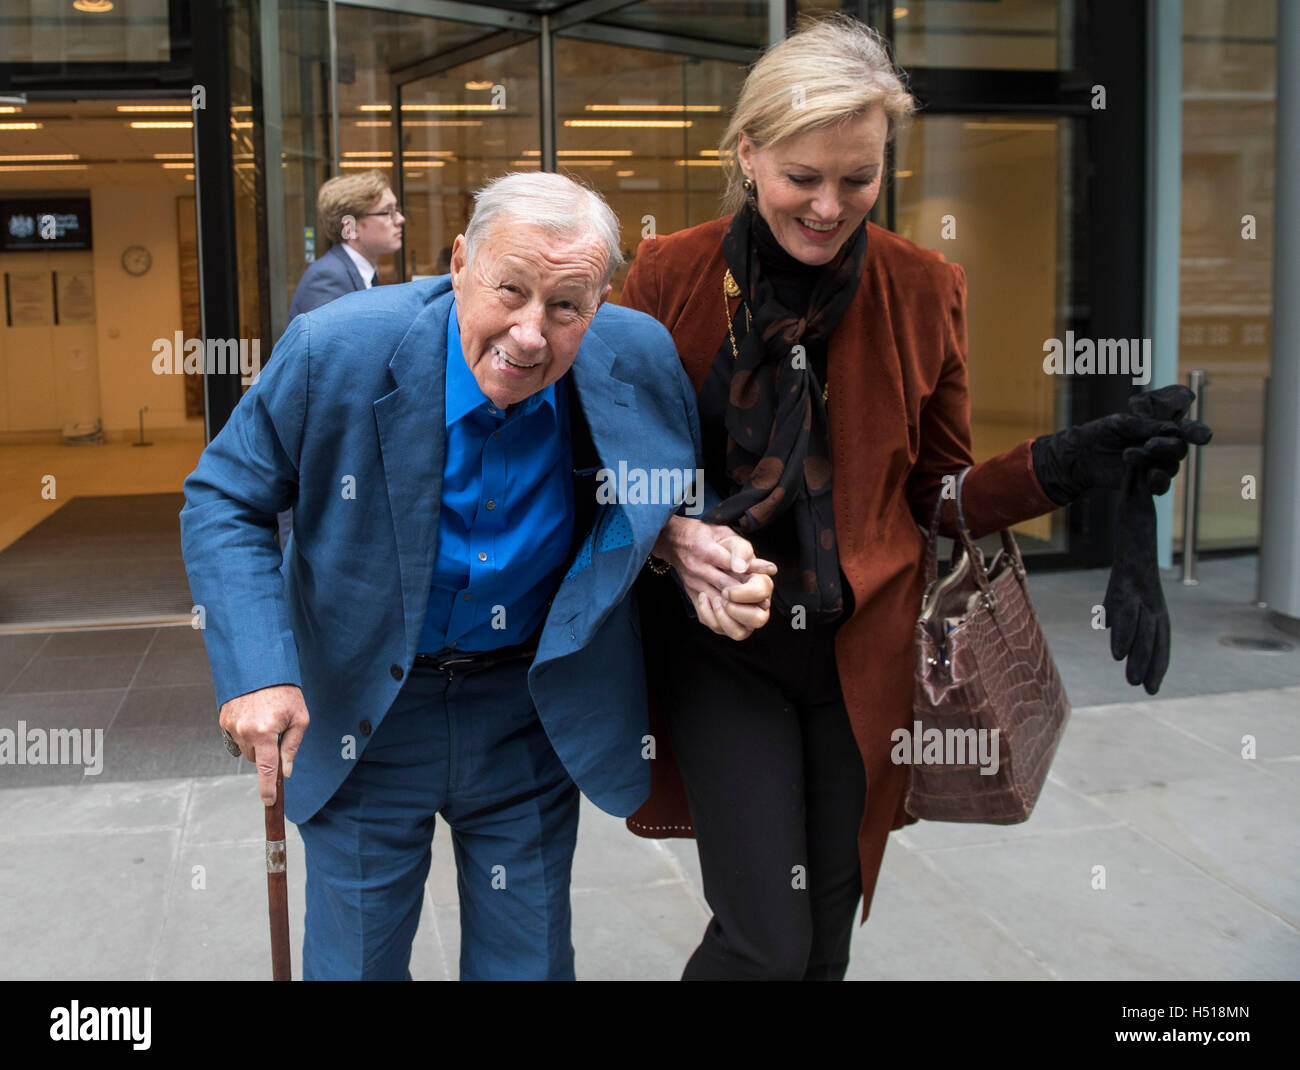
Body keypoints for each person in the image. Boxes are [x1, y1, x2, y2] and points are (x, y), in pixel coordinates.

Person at [620, 13, 1209, 981]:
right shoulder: (668, 275)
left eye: (858, 178)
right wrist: (674, 533)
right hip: (718, 650)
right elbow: (612, 464)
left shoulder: (922, 286)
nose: (828, 205)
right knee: (761, 939)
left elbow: (938, 495)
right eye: (801, 177)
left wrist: (1074, 456)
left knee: (821, 945)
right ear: (746, 152)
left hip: (861, 659)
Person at [180, 171, 772, 980]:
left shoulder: (634, 355)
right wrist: (256, 672)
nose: (532, 334)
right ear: (460, 262)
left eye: (567, 306)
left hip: (524, 710)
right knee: (355, 963)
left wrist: (675, 534)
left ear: (598, 303)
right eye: (511, 290)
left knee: (526, 963)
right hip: (365, 713)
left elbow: (649, 475)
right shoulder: (338, 348)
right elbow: (225, 497)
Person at [288, 169, 405, 319]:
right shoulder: (327, 279)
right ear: (351, 227)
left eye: (396, 210)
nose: (400, 219)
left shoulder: (363, 273)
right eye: (388, 212)